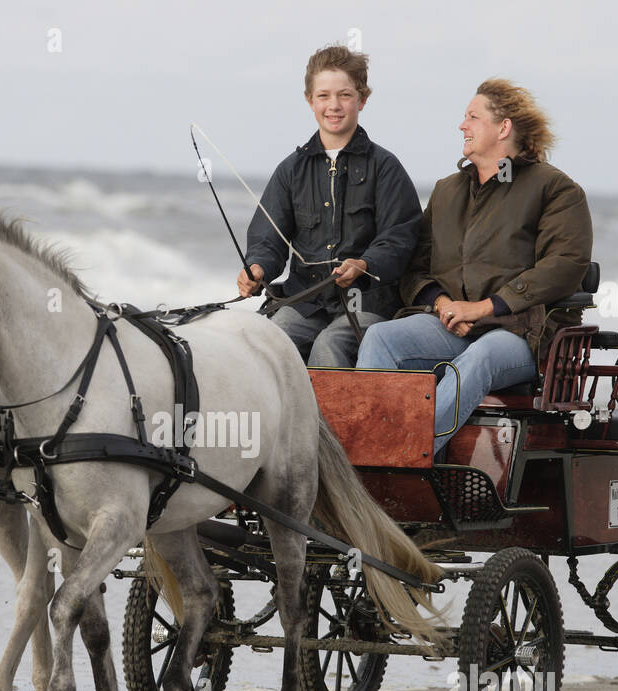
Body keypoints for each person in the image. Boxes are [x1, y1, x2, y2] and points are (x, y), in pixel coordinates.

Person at [357, 79, 593, 454]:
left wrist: (484, 308)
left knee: (479, 357)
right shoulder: (447, 190)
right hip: (451, 324)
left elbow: (566, 265)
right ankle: (367, 452)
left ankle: (405, 455)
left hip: (523, 335)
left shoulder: (555, 189)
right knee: (381, 338)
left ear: (503, 127)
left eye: (472, 117)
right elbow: (416, 267)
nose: (462, 126)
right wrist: (442, 304)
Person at [236, 44, 421, 368]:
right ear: (310, 100)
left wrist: (364, 264)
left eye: (344, 95)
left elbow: (399, 239)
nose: (333, 106)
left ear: (362, 99)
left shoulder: (386, 167)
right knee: (267, 341)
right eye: (323, 96)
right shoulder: (291, 170)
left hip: (368, 302)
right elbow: (269, 239)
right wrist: (257, 269)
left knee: (329, 346)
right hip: (304, 300)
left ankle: (327, 423)